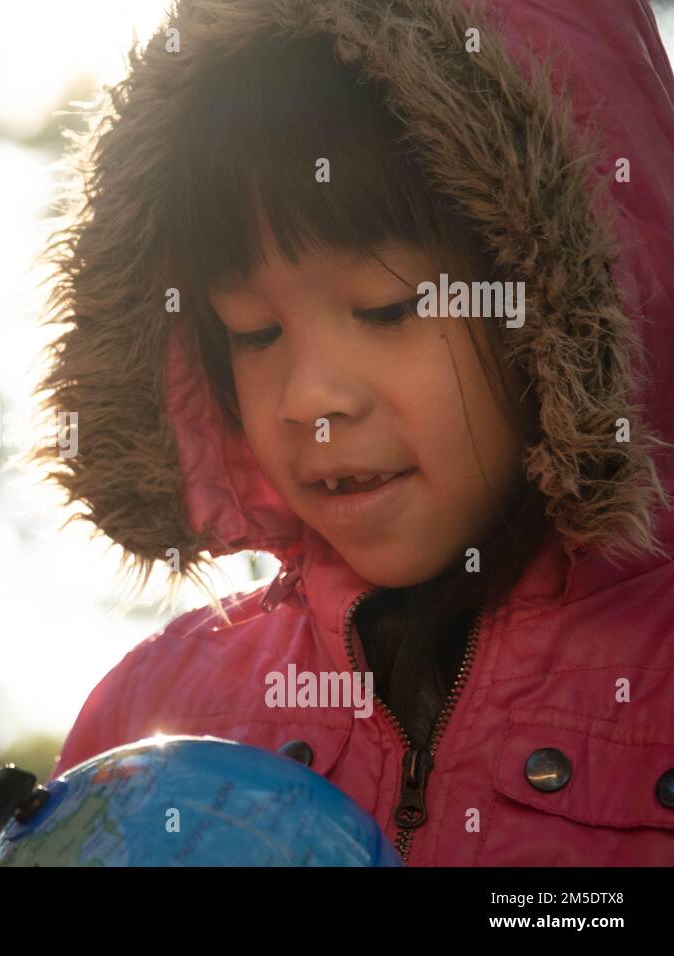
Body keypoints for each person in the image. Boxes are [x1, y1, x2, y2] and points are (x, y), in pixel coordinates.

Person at [39, 0, 674, 864]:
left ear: (560, 301)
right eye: (253, 332)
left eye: (387, 307)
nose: (309, 398)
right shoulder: (158, 714)